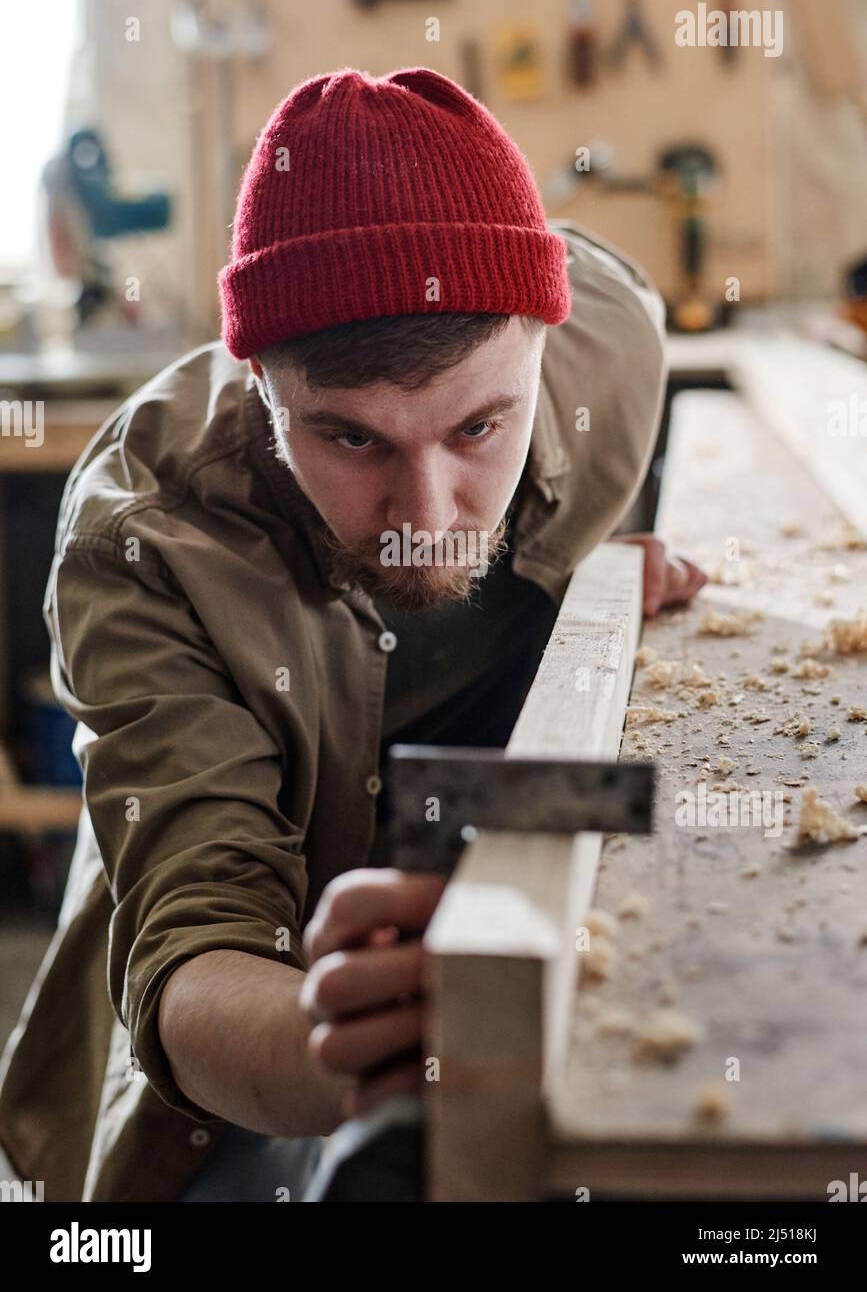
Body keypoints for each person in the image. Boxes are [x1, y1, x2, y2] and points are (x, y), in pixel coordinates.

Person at [0, 66, 705, 1202]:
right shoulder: (147, 539)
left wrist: (604, 567)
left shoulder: (613, 346)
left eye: (482, 425)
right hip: (257, 1044)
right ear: (258, 383)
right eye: (350, 441)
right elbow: (191, 955)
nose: (427, 521)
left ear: (546, 339)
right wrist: (387, 1053)